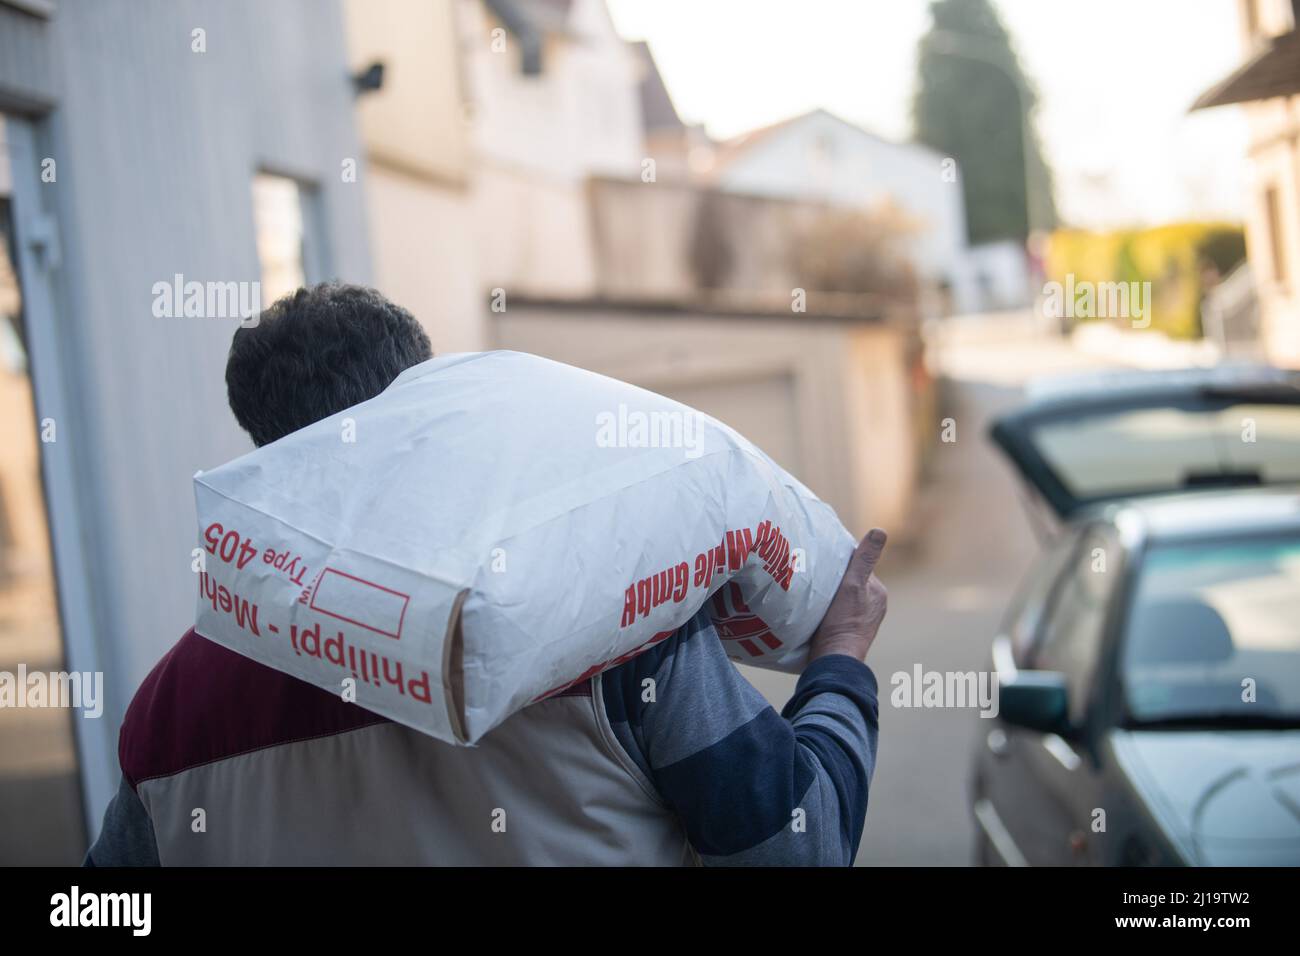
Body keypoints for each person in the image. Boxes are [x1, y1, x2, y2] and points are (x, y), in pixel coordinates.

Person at [86, 282, 889, 866]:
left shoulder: (169, 710)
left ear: (271, 449)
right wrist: (840, 662)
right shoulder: (608, 624)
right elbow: (796, 847)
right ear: (429, 413)